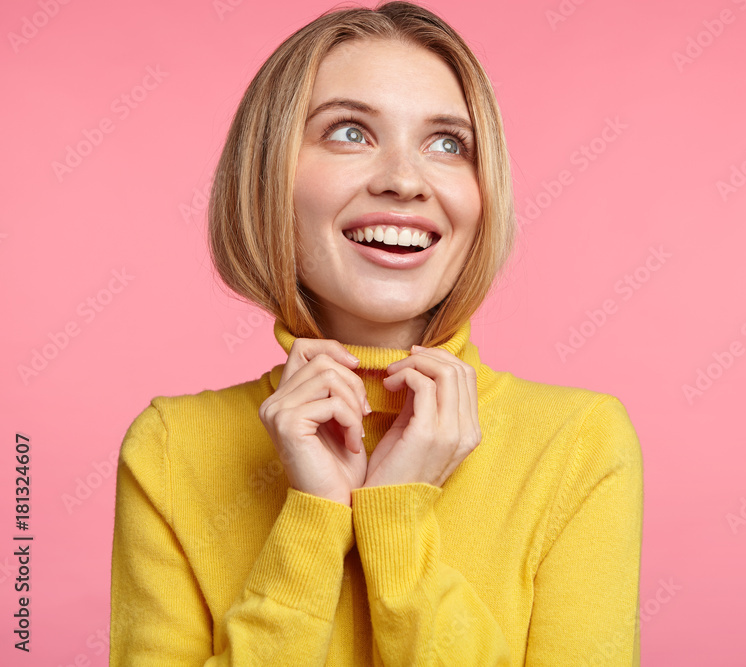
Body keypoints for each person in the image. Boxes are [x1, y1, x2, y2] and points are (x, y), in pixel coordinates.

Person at [109, 2, 644, 664]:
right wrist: (310, 524)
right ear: (269, 174)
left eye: (448, 143)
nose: (403, 180)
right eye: (350, 133)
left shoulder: (580, 444)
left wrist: (396, 521)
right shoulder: (169, 449)